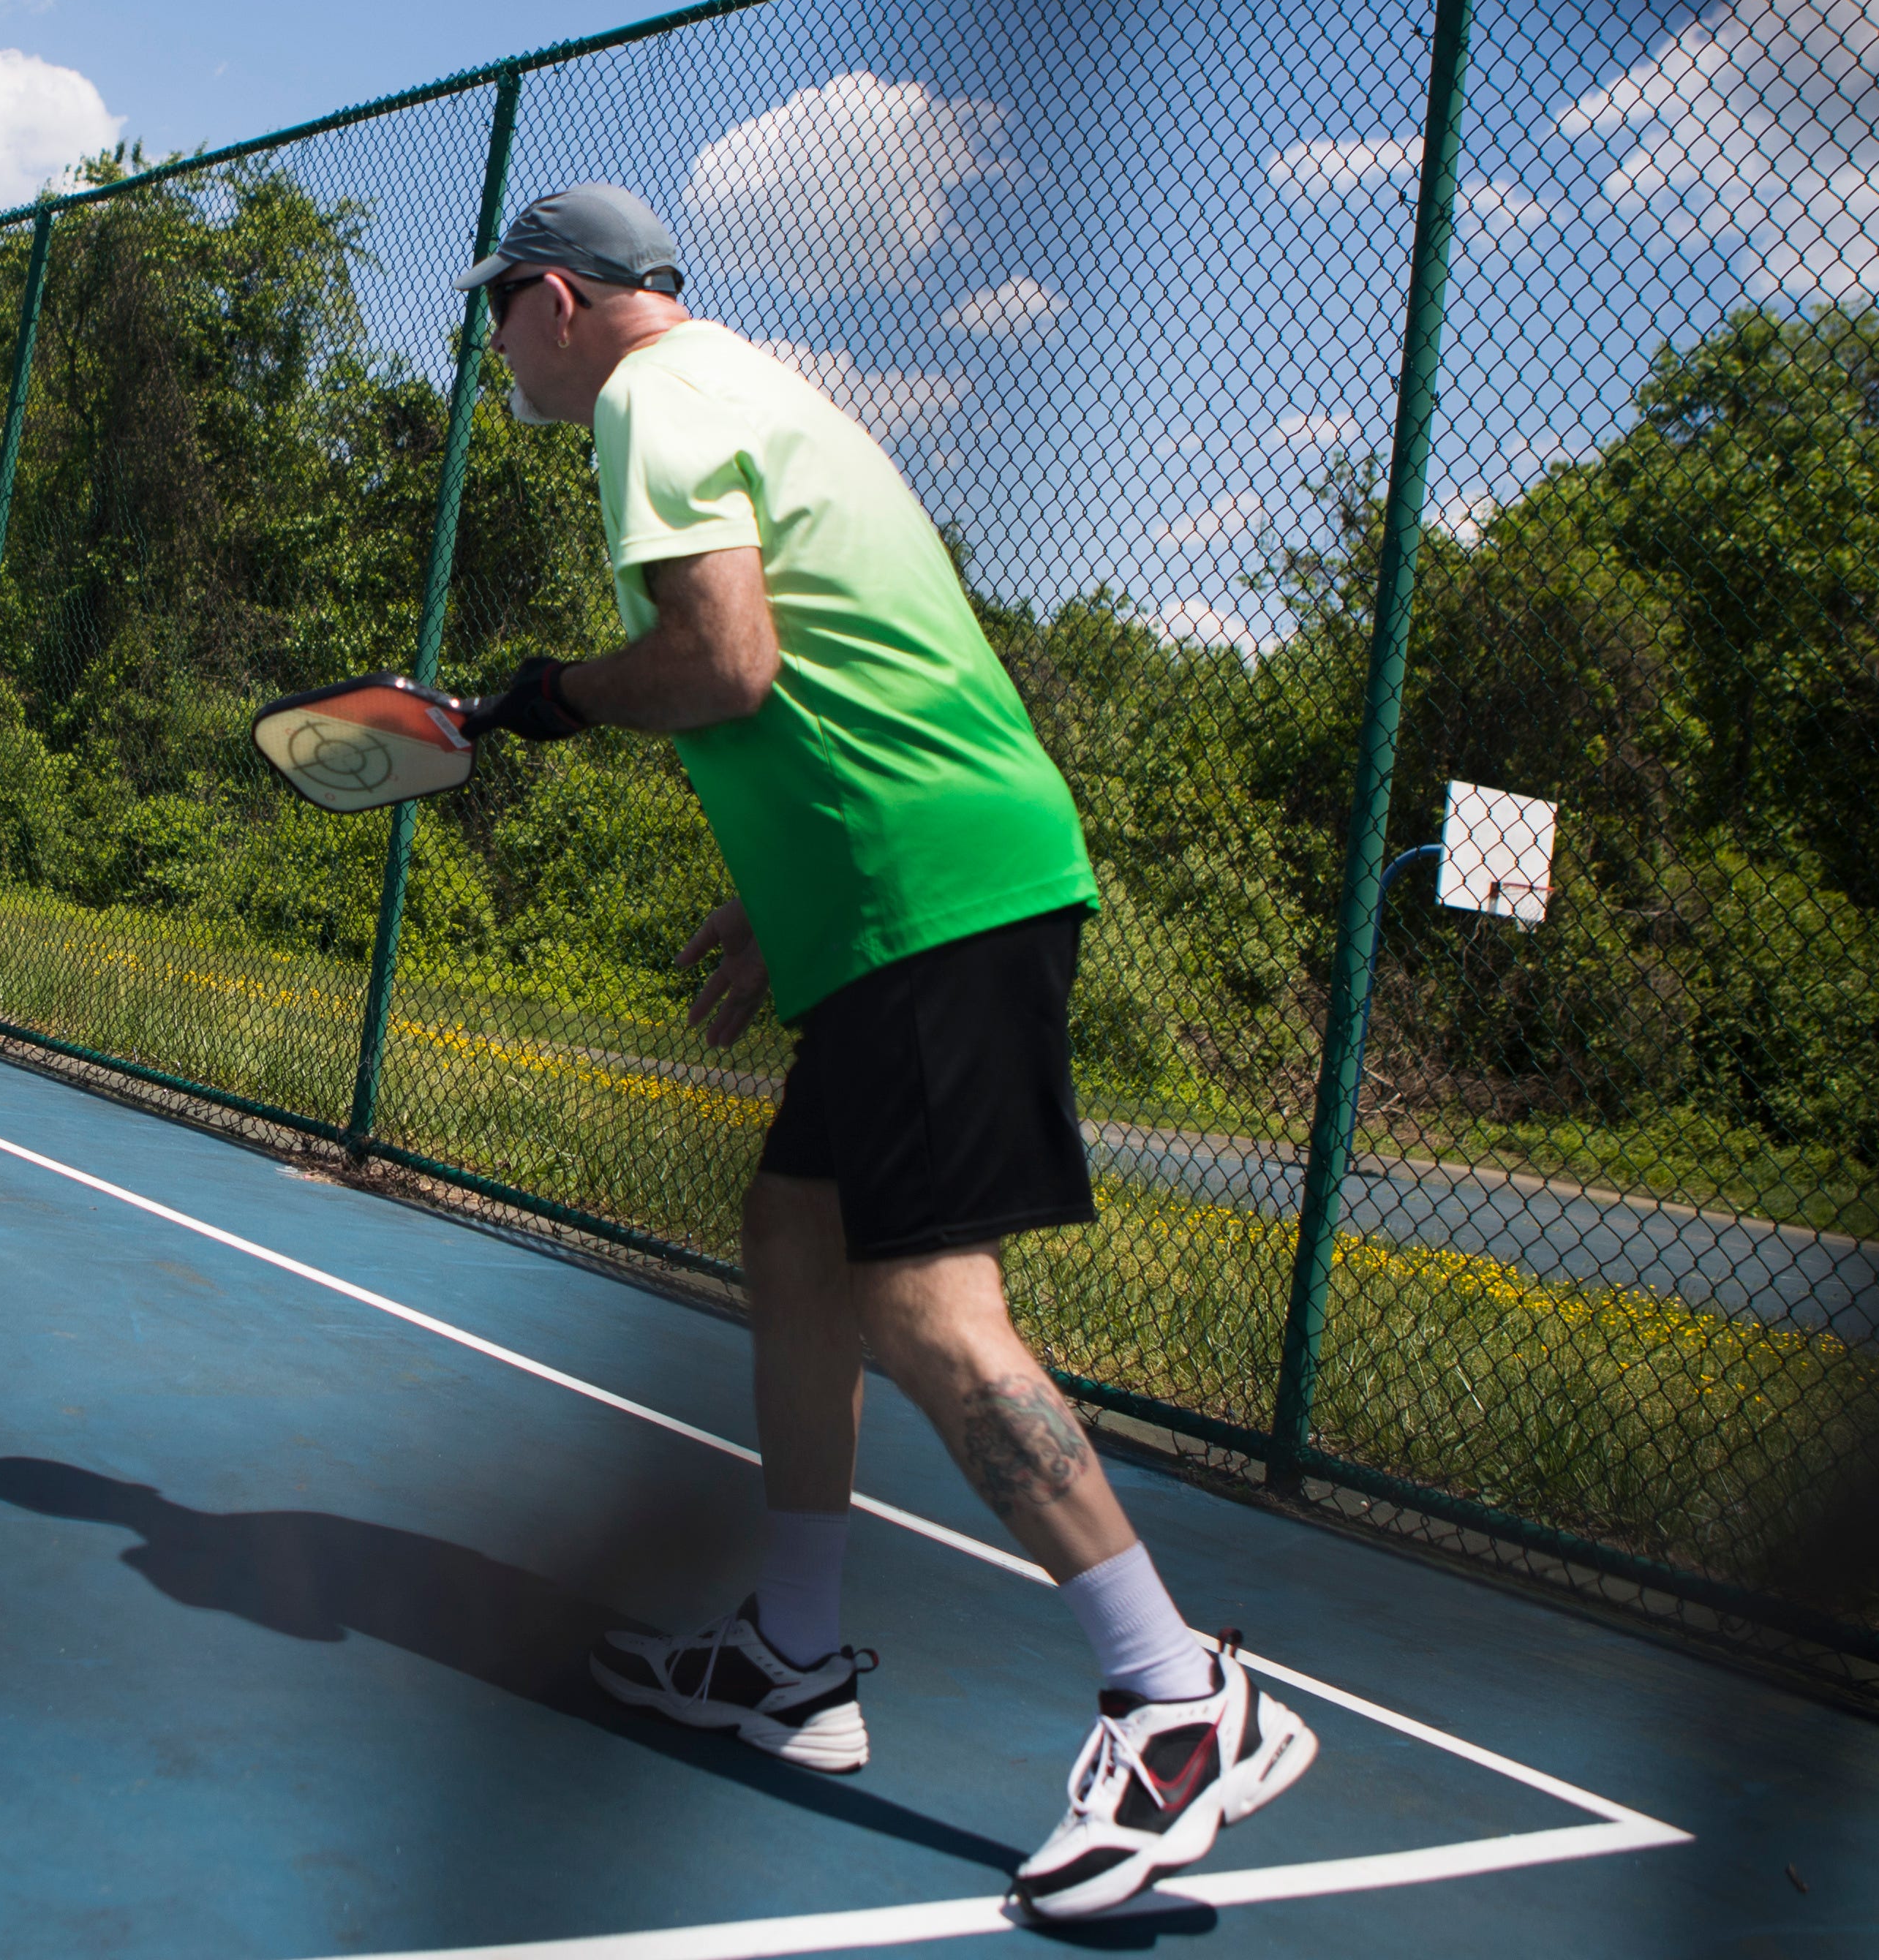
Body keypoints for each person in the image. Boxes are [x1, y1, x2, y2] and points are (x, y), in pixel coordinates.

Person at [454, 185, 1313, 1923]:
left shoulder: (647, 400)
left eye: (495, 320)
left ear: (551, 297)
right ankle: (788, 1652)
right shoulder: (757, 386)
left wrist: (547, 692)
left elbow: (723, 661)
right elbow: (851, 665)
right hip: (900, 881)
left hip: (937, 892)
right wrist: (795, 894)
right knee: (793, 1238)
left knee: (926, 1303)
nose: (498, 357)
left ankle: (1173, 1695)